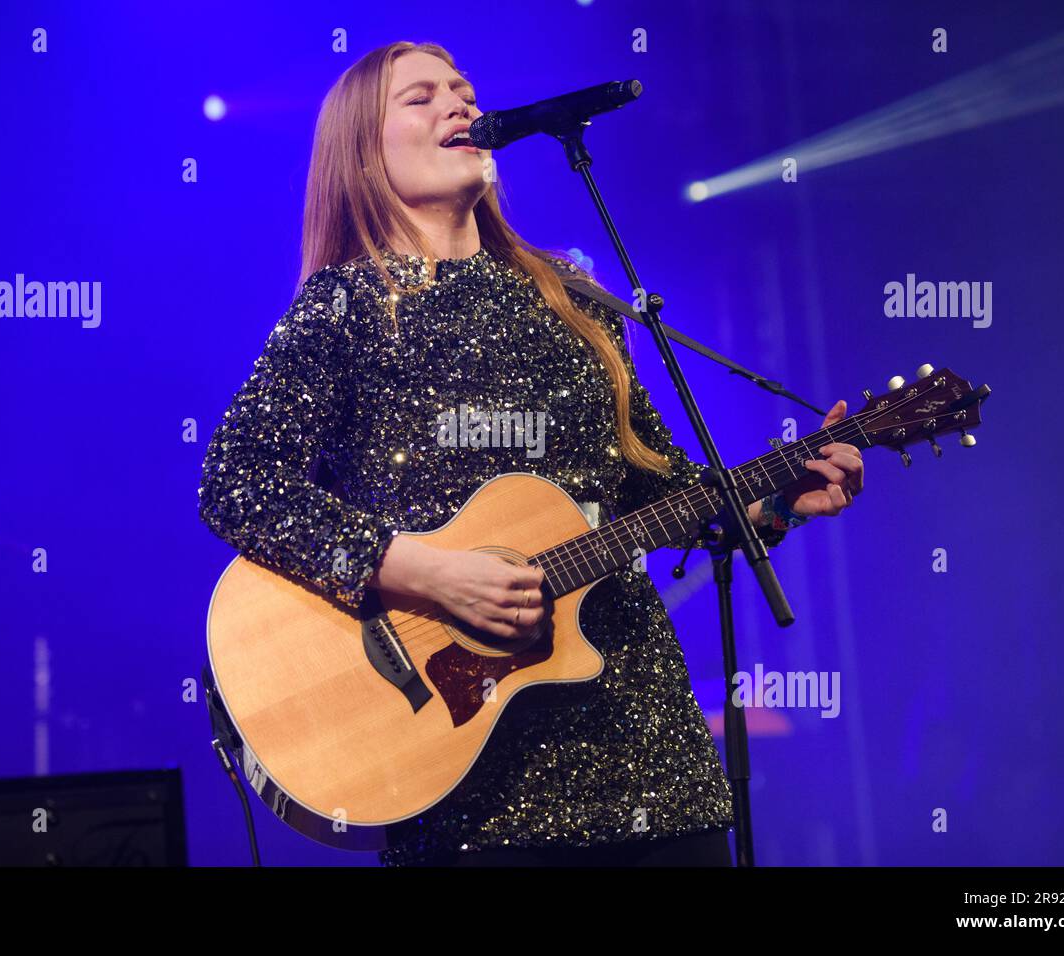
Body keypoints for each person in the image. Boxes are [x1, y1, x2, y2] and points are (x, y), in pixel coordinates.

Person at [197, 41, 864, 867]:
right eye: (421, 97)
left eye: (464, 91)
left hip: (648, 754)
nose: (458, 105)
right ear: (362, 151)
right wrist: (421, 571)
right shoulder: (344, 308)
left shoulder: (571, 297)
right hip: (466, 780)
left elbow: (656, 485)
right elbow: (237, 483)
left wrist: (773, 499)